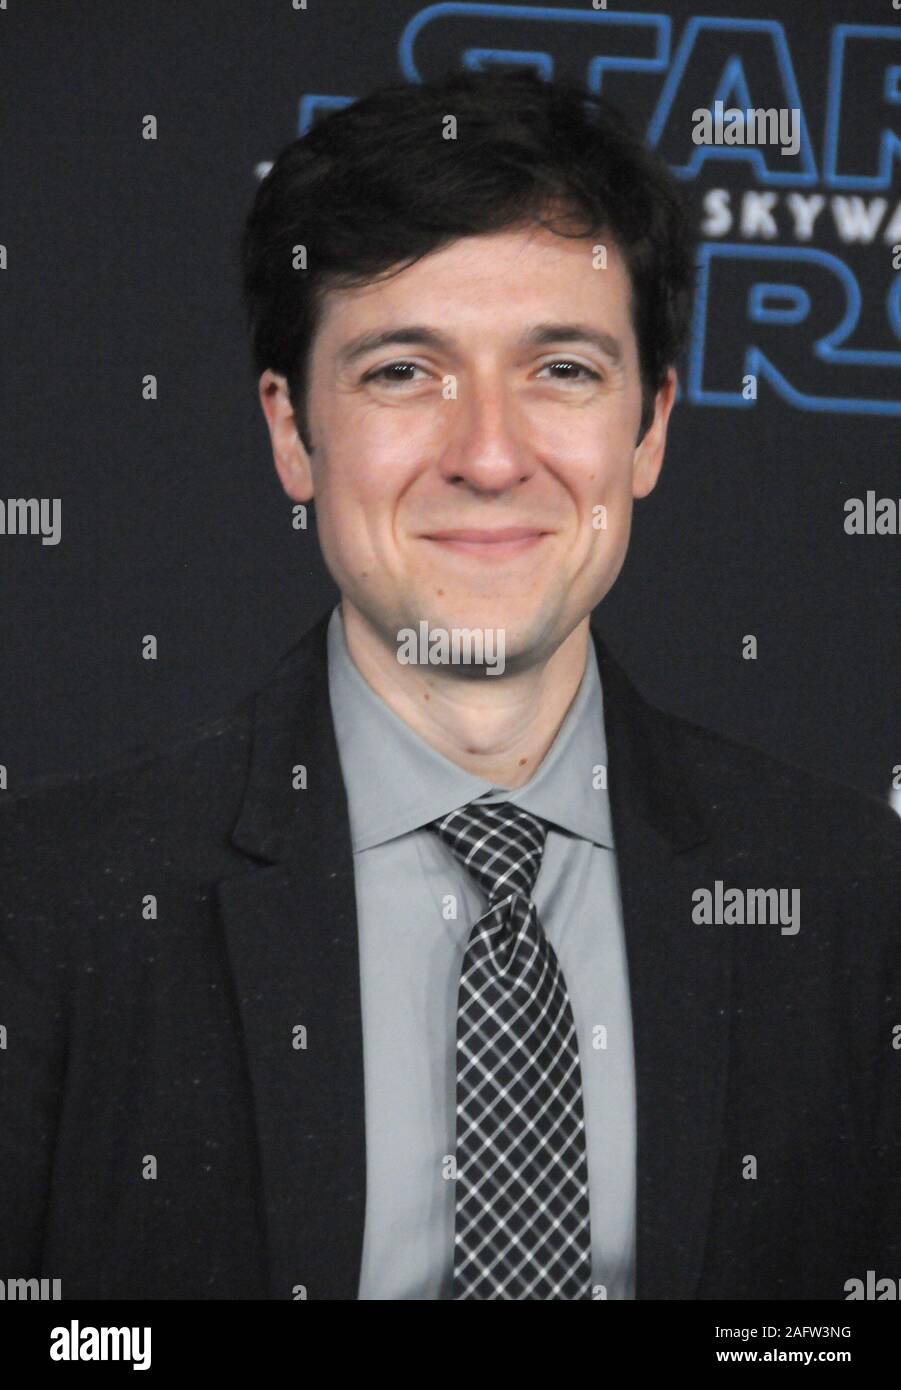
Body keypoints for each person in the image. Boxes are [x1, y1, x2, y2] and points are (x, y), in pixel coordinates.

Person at [1, 69, 898, 1301]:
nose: (487, 454)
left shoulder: (854, 899)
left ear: (650, 429)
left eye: (563, 370)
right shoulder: (48, 908)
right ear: (288, 430)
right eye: (402, 372)